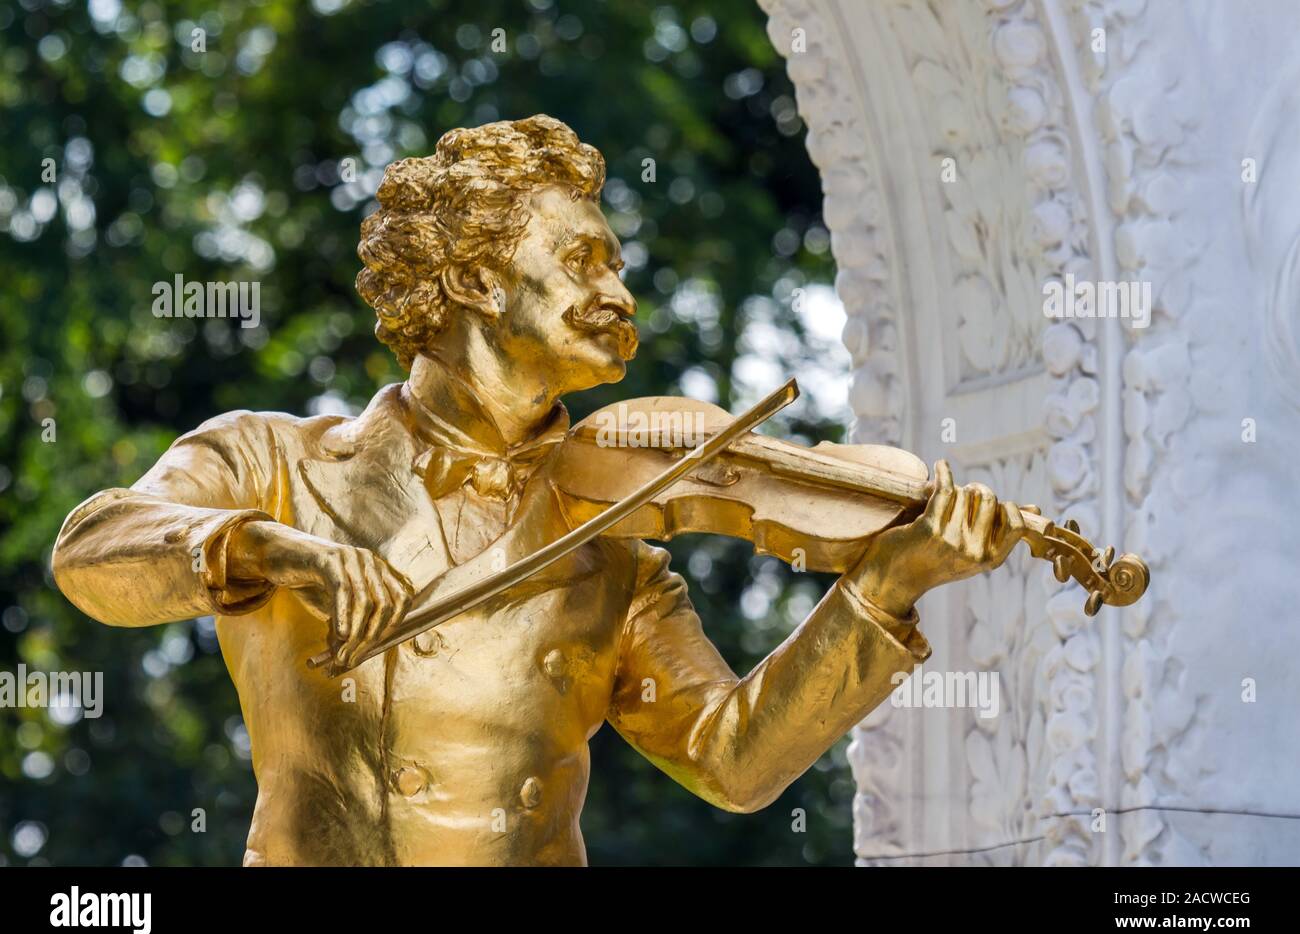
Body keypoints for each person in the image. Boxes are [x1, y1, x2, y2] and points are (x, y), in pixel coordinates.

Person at [52, 115, 1024, 865]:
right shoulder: (276, 465)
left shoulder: (614, 558)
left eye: (619, 263)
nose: (621, 293)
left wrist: (883, 585)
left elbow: (732, 759)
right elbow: (93, 550)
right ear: (475, 277)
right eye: (581, 260)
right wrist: (269, 547)